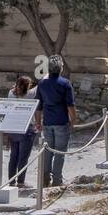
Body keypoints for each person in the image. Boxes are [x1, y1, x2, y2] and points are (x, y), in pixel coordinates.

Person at [34, 54, 75, 189]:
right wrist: (73, 119)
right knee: (60, 152)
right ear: (60, 68)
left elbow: (38, 105)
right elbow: (70, 105)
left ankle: (45, 178)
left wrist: (38, 121)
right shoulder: (65, 83)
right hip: (61, 121)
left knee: (47, 151)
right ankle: (57, 180)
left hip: (47, 122)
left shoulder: (42, 83)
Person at [6, 74, 37, 189]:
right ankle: (21, 181)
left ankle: (11, 181)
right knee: (23, 157)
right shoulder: (30, 94)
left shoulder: (10, 93)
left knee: (13, 156)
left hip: (13, 127)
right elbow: (38, 88)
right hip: (26, 128)